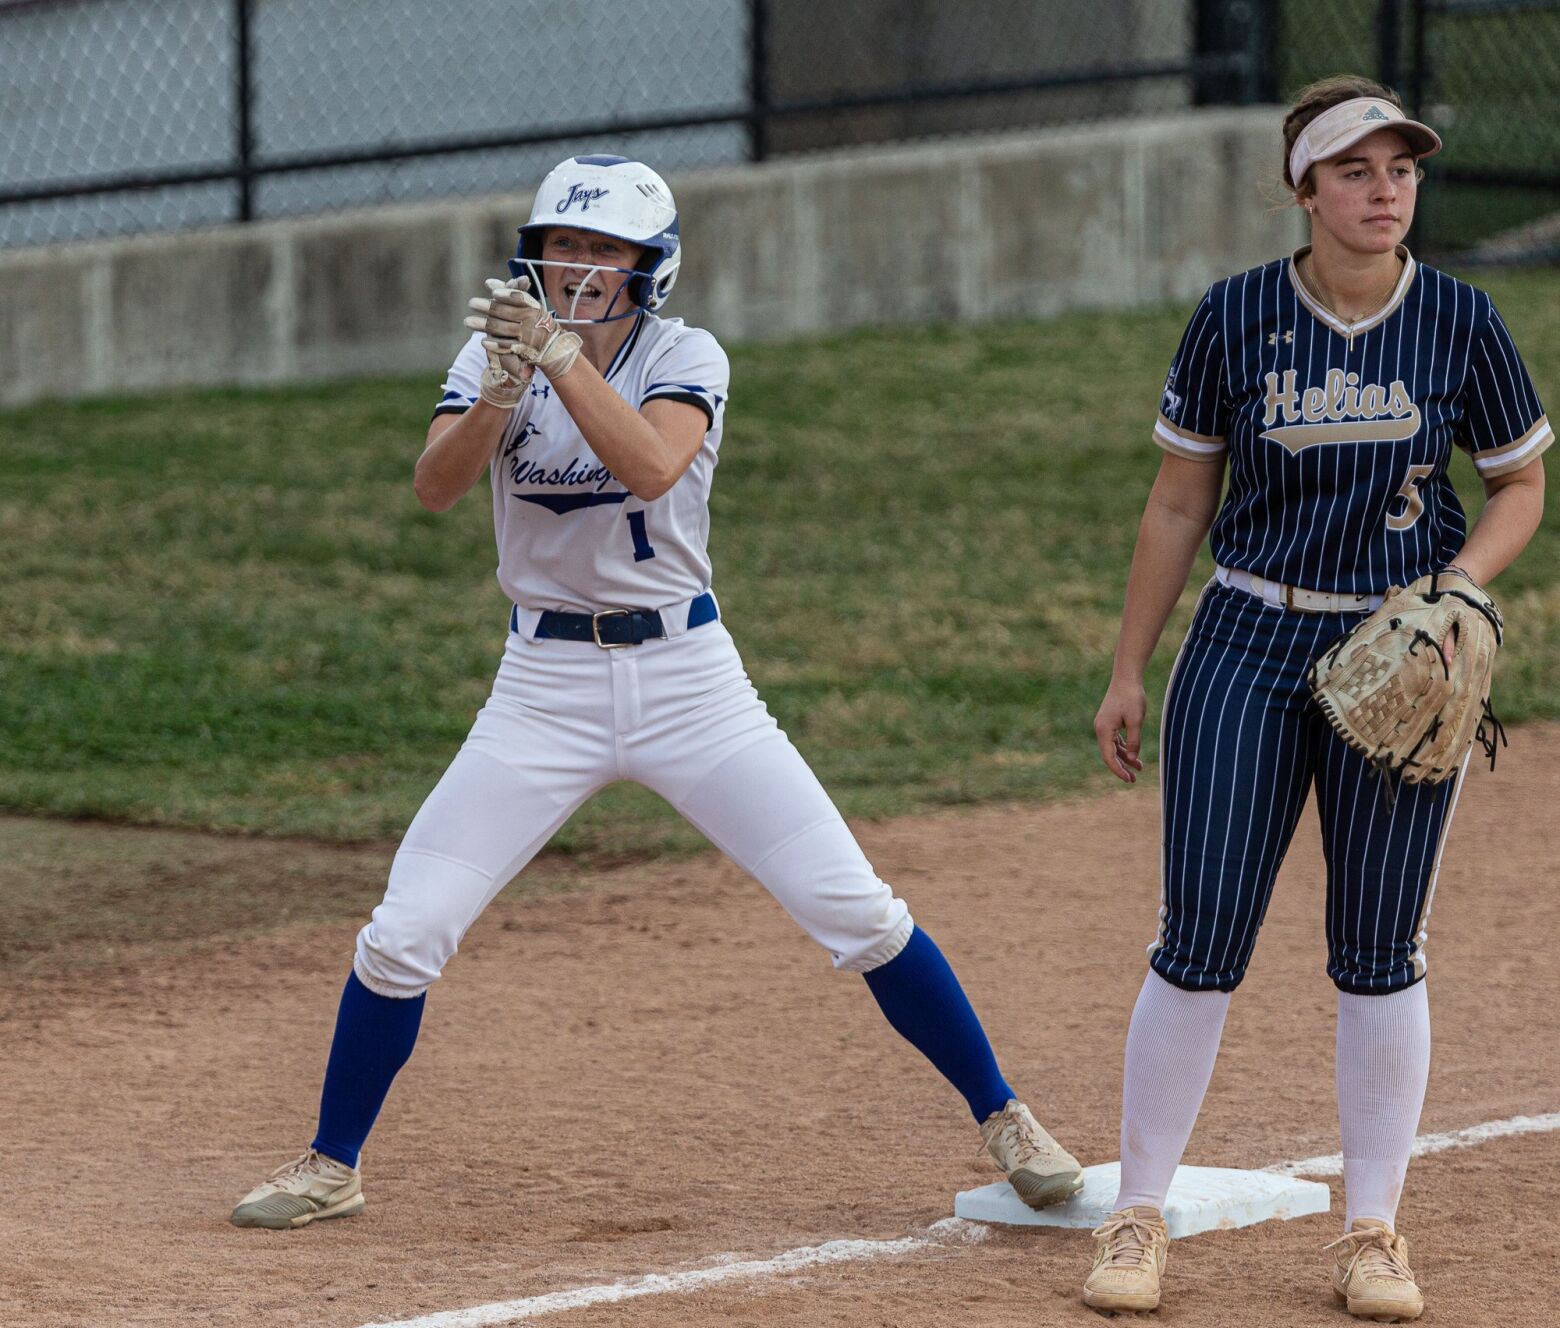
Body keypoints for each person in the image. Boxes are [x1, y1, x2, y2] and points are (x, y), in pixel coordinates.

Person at [229, 155, 1082, 1230]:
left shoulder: (687, 355)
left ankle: (1006, 1114)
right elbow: (435, 487)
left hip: (688, 680)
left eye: (604, 253)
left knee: (855, 908)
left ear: (650, 269)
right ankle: (331, 1162)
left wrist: (560, 363)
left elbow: (647, 464)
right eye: (561, 247)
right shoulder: (494, 356)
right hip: (542, 683)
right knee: (405, 931)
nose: (577, 269)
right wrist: (502, 387)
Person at [1082, 80, 1549, 1320]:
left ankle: (1373, 1232)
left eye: (1400, 168)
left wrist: (1452, 589)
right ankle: (1137, 1213)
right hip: (1247, 637)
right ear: (1304, 189)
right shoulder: (1236, 317)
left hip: (1399, 652)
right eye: (1354, 170)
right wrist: (1131, 667)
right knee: (1201, 936)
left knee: (1381, 949)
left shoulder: (1458, 319)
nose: (1384, 188)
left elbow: (1519, 486)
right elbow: (1179, 500)